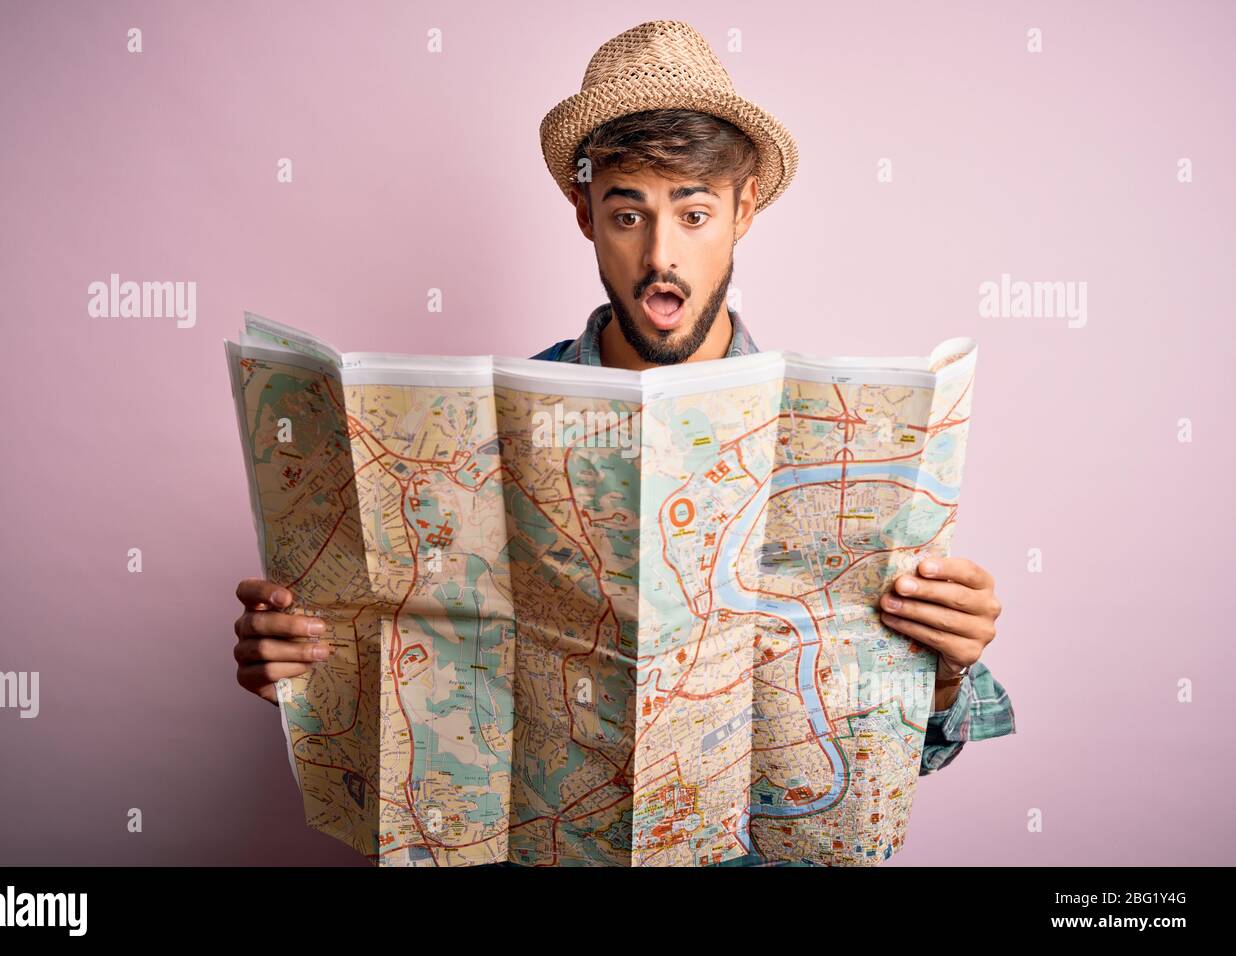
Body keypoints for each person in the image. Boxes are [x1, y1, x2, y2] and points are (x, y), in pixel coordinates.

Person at [232, 19, 1015, 864]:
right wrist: (304, 671)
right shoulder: (477, 439)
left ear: (745, 210)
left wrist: (939, 674)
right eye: (628, 212)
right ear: (584, 214)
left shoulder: (834, 443)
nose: (660, 256)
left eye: (695, 212)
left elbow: (914, 750)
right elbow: (411, 699)